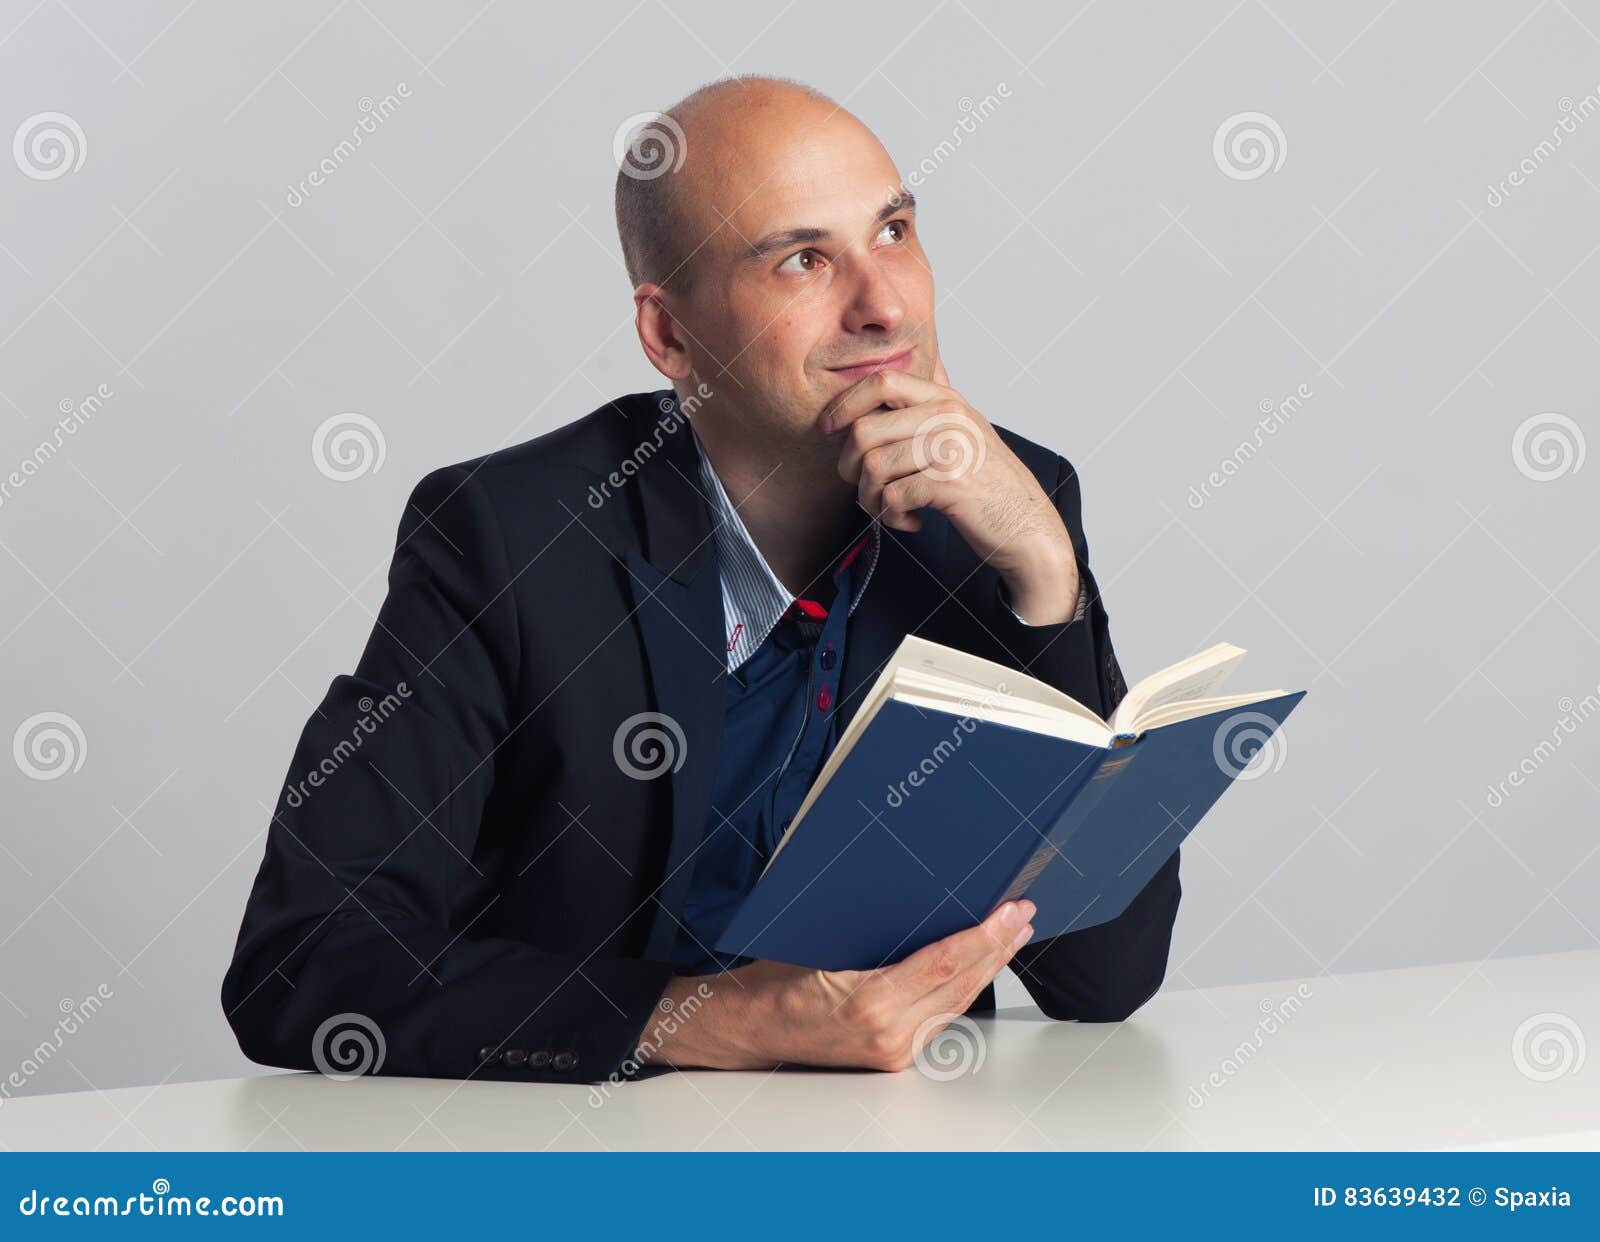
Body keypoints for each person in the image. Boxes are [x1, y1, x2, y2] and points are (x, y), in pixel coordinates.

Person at [222, 75, 1180, 1083]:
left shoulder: (999, 507)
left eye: (893, 231)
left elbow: (1106, 975)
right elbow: (305, 965)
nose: (883, 304)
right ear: (670, 335)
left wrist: (1042, 579)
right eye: (804, 260)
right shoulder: (510, 537)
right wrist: (710, 1019)